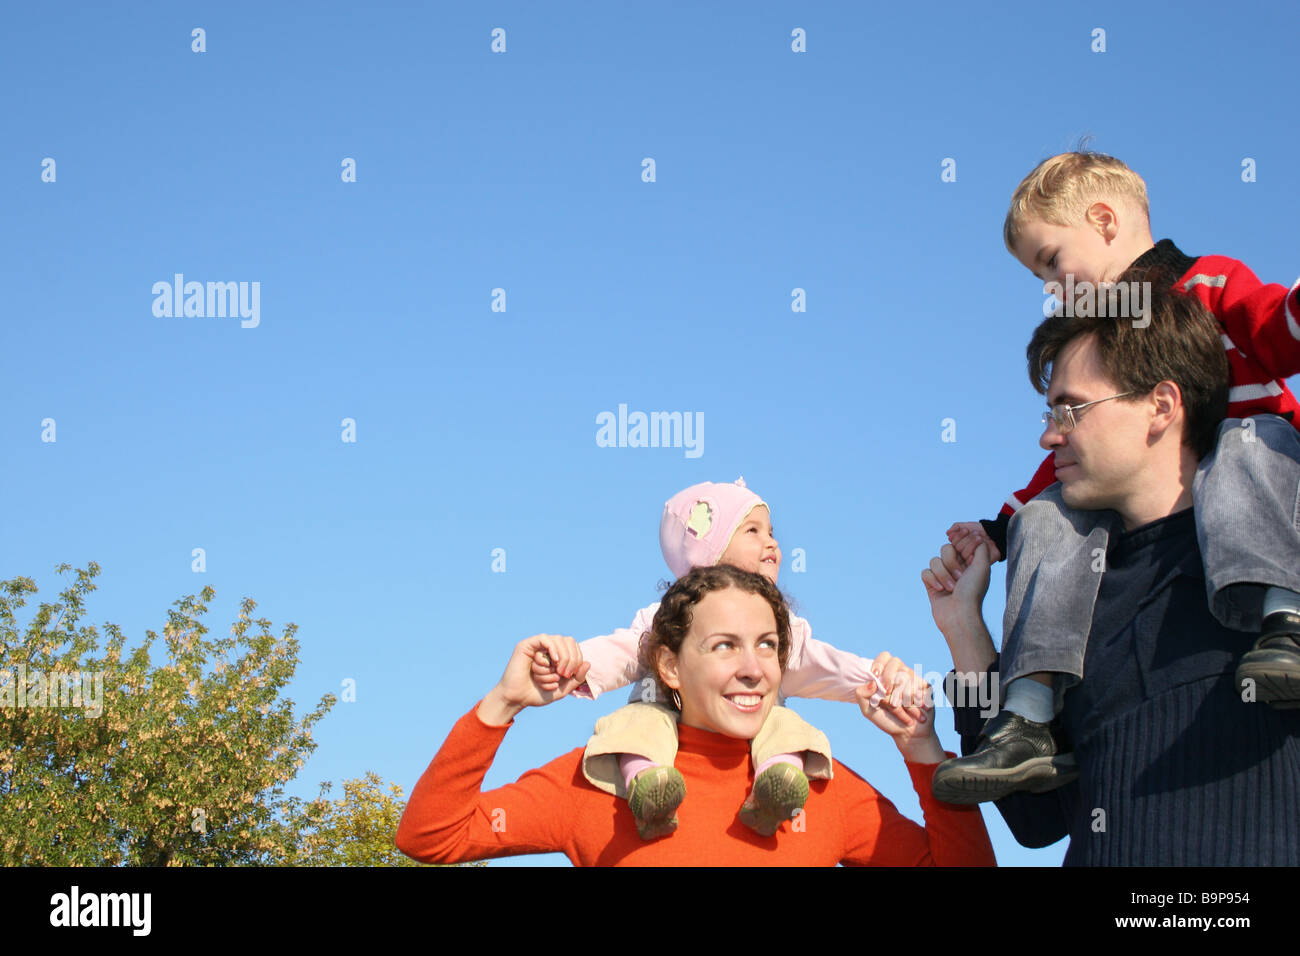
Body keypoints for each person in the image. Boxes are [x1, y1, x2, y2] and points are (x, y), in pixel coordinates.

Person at [940, 150, 1300, 799]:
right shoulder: (1092, 345)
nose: (1051, 287)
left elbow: (1277, 330)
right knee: (1050, 513)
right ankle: (1028, 718)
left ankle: (1286, 620)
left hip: (1263, 469)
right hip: (1164, 534)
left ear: (1105, 221)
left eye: (1051, 261)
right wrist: (1003, 526)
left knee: (1243, 442)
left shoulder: (1209, 285)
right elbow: (1071, 448)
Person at [924, 285, 1300, 864]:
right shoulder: (1066, 591)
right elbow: (1035, 819)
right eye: (1050, 414)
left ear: (1161, 405)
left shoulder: (1282, 552)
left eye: (1070, 409)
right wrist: (964, 634)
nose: (1049, 436)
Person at [395, 564, 995, 866]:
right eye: (724, 645)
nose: (753, 667)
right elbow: (430, 835)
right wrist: (501, 707)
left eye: (767, 645)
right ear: (671, 667)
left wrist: (921, 750)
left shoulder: (820, 787)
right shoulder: (598, 779)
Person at [548, 478, 887, 839]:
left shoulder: (781, 623)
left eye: (771, 531)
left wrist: (874, 679)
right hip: (667, 719)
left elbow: (820, 662)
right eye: (752, 531)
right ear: (706, 550)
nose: (771, 541)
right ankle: (648, 787)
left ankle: (775, 785)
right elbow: (624, 651)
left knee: (787, 727)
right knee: (633, 724)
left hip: (751, 723)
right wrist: (574, 661)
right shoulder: (663, 617)